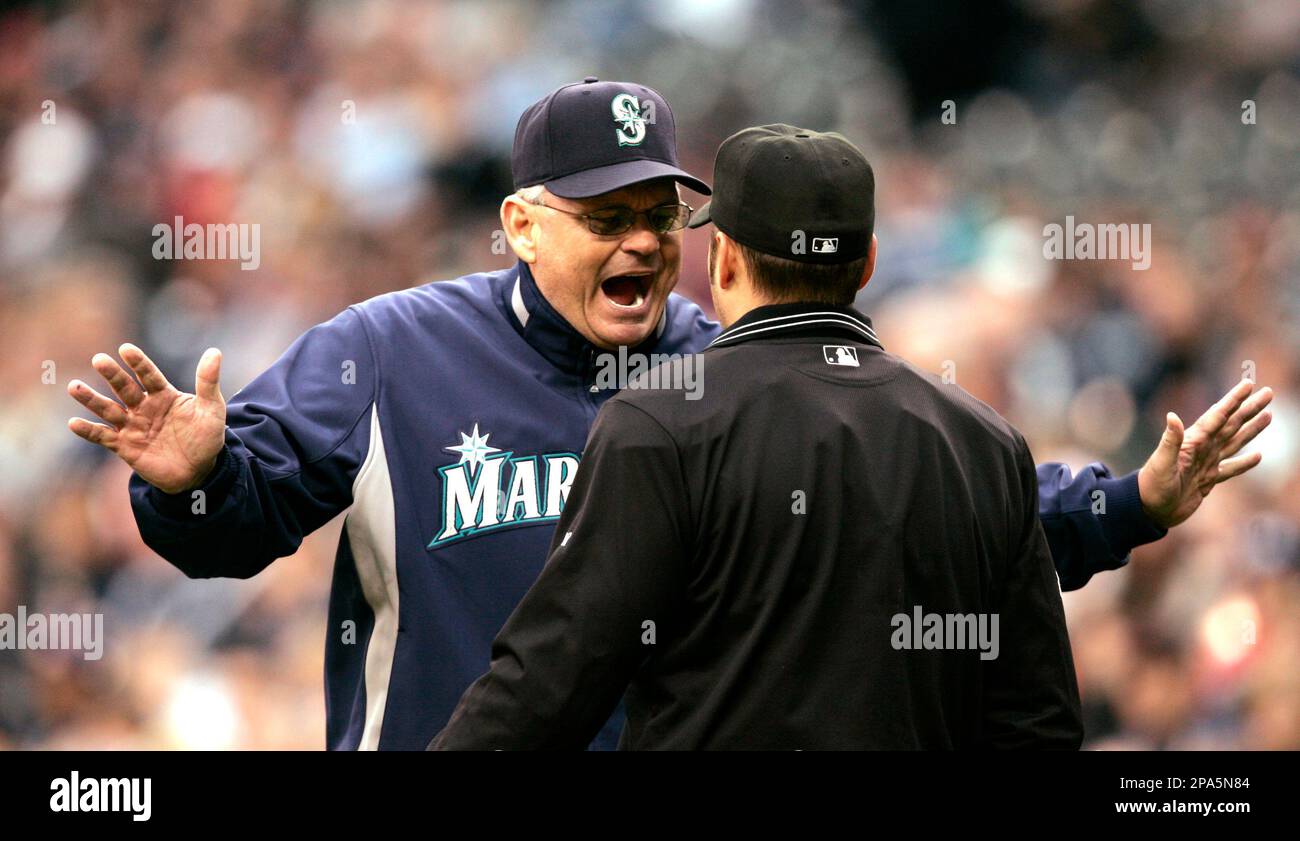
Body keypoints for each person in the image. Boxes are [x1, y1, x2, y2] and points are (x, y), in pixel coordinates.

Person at [68, 81, 1272, 749]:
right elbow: (230, 529)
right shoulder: (388, 352)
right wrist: (194, 477)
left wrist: (1124, 507)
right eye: (606, 215)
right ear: (523, 222)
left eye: (661, 211)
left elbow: (938, 500)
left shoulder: (727, 369)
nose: (643, 238)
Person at [430, 124, 1087, 749]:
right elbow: (1040, 722)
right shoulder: (984, 442)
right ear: (866, 265)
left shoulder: (659, 424)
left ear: (722, 258)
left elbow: (548, 687)